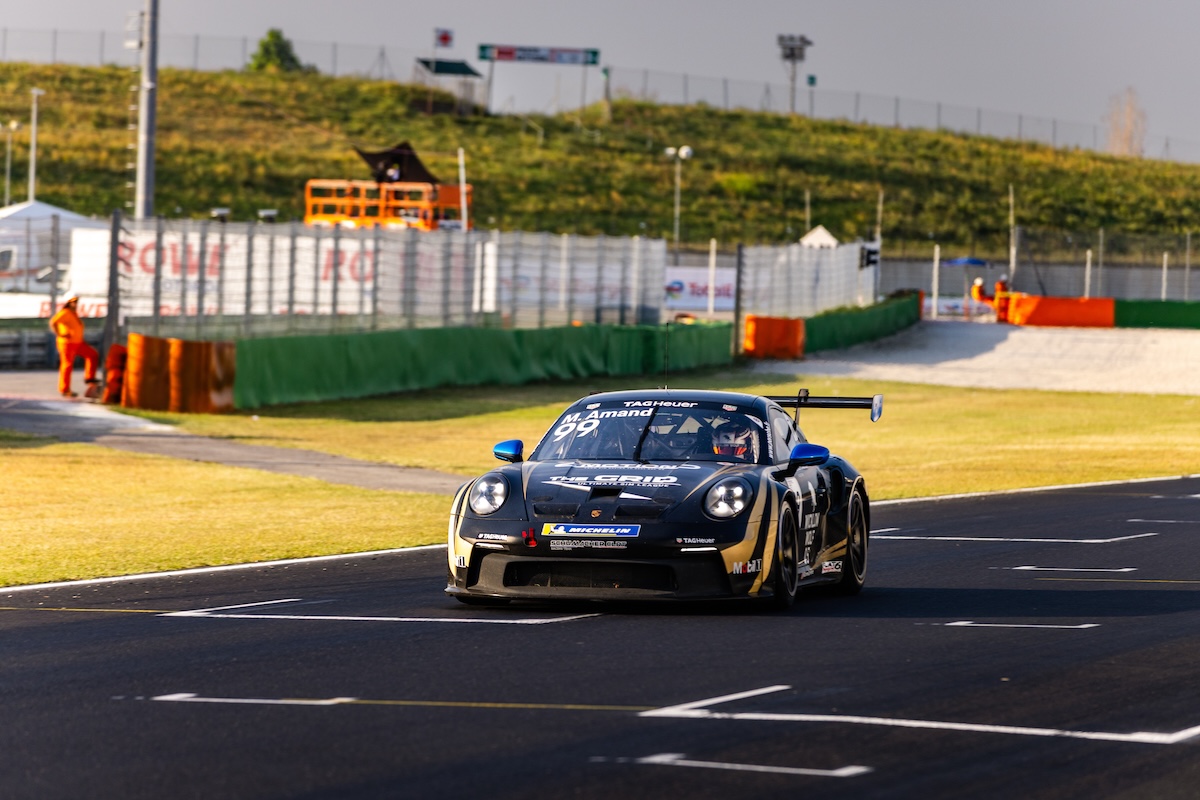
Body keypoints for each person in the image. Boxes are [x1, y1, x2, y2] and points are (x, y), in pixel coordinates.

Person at [49, 296, 100, 398]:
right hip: (67, 343)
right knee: (67, 365)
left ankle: (89, 378)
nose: (75, 304)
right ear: (68, 303)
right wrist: (60, 334)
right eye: (73, 302)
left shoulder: (74, 314)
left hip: (78, 343)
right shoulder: (65, 312)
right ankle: (65, 389)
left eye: (76, 302)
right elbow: (53, 322)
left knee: (93, 354)